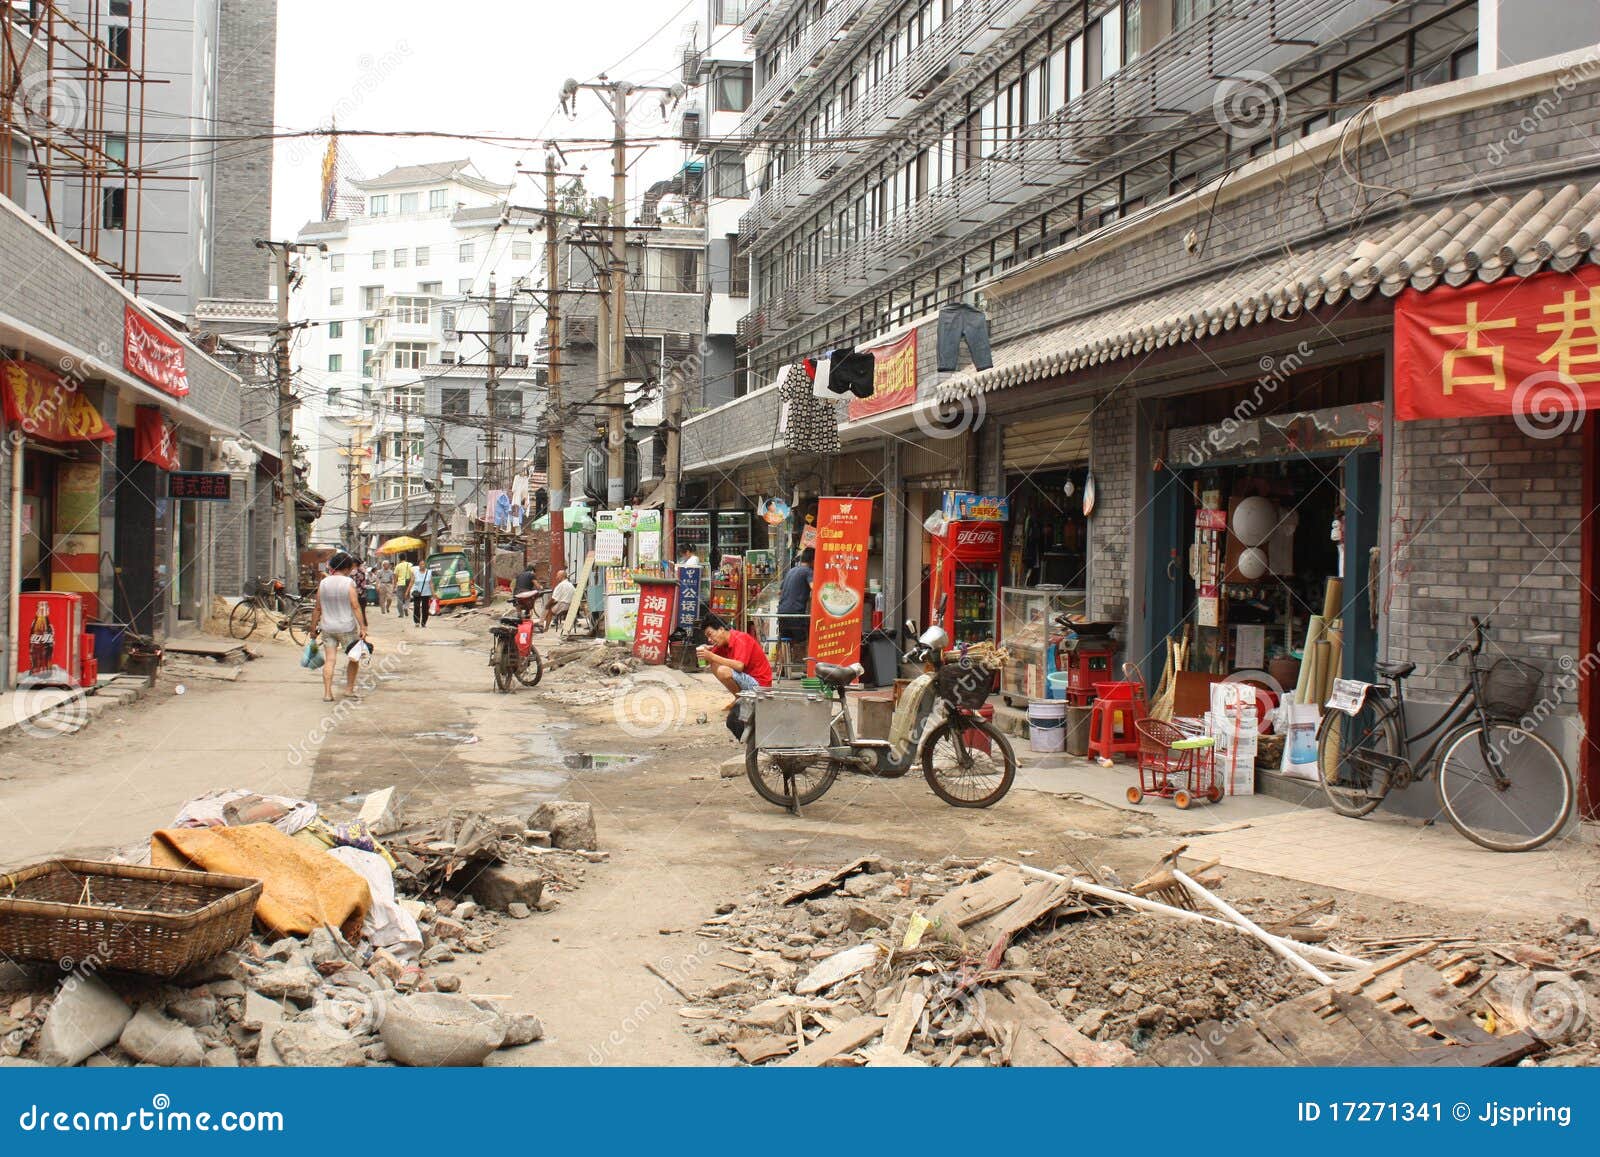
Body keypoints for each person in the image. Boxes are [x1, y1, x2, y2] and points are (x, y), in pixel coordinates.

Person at [308, 552, 369, 703]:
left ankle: (327, 693)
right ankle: (348, 689)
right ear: (347, 568)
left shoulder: (324, 583)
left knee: (330, 660)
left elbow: (317, 608)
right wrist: (363, 626)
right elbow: (355, 606)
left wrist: (313, 628)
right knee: (353, 658)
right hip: (346, 628)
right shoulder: (348, 583)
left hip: (328, 628)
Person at [698, 615, 773, 707]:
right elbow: (707, 663)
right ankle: (739, 698)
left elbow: (739, 666)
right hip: (748, 681)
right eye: (707, 637)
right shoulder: (721, 644)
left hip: (760, 686)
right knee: (715, 665)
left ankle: (739, 701)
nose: (709, 640)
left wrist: (712, 656)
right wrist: (704, 653)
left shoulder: (740, 638)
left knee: (723, 671)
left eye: (710, 634)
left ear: (721, 629)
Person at [777, 547, 814, 649]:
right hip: (795, 615)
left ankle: (786, 663)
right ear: (813, 560)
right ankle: (801, 663)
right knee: (802, 641)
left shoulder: (791, 571)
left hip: (781, 614)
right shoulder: (808, 571)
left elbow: (779, 592)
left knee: (786, 643)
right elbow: (814, 588)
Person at [409, 560, 437, 628]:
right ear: (419, 565)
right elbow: (411, 582)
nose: (422, 565)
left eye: (423, 564)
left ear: (425, 565)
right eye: (421, 564)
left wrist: (433, 593)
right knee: (416, 607)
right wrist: (407, 591)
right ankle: (417, 621)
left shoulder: (429, 572)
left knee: (425, 608)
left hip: (426, 592)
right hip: (417, 592)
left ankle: (424, 622)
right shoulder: (415, 572)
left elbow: (431, 583)